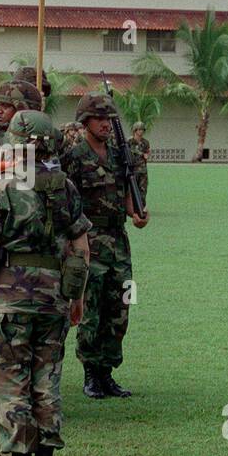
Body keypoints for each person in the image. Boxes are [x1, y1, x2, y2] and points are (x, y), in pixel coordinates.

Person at [0, 110, 90, 456]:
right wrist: (77, 298)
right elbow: (81, 247)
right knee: (47, 382)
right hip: (54, 298)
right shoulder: (66, 187)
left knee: (12, 383)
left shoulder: (0, 187)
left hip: (9, 300)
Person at [62, 93, 149, 400]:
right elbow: (66, 200)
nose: (105, 125)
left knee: (119, 310)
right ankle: (90, 373)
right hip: (88, 242)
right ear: (85, 121)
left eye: (109, 119)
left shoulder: (117, 154)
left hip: (118, 243)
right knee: (91, 311)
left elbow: (127, 191)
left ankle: (107, 372)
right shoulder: (74, 156)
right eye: (99, 119)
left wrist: (137, 214)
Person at [130, 122, 151, 204]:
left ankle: (141, 207)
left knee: (143, 190)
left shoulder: (145, 142)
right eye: (139, 129)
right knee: (131, 190)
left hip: (143, 170)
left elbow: (148, 152)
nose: (141, 132)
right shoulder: (129, 142)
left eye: (143, 130)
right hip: (132, 170)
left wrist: (147, 155)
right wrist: (142, 154)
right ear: (135, 130)